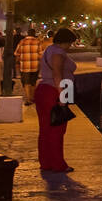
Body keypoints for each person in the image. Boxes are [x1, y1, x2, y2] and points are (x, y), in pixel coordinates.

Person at [35, 28, 78, 172]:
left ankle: (46, 162)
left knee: (45, 129)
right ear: (65, 41)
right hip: (55, 91)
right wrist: (62, 96)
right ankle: (58, 164)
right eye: (70, 43)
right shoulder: (59, 53)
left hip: (44, 90)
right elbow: (57, 74)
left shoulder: (49, 49)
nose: (70, 46)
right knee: (57, 130)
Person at [14, 29, 43, 106]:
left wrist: (17, 63)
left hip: (24, 66)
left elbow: (17, 54)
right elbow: (40, 55)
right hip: (35, 65)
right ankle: (32, 97)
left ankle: (28, 99)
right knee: (33, 82)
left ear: (27, 34)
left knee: (26, 83)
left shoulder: (22, 42)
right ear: (34, 34)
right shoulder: (38, 42)